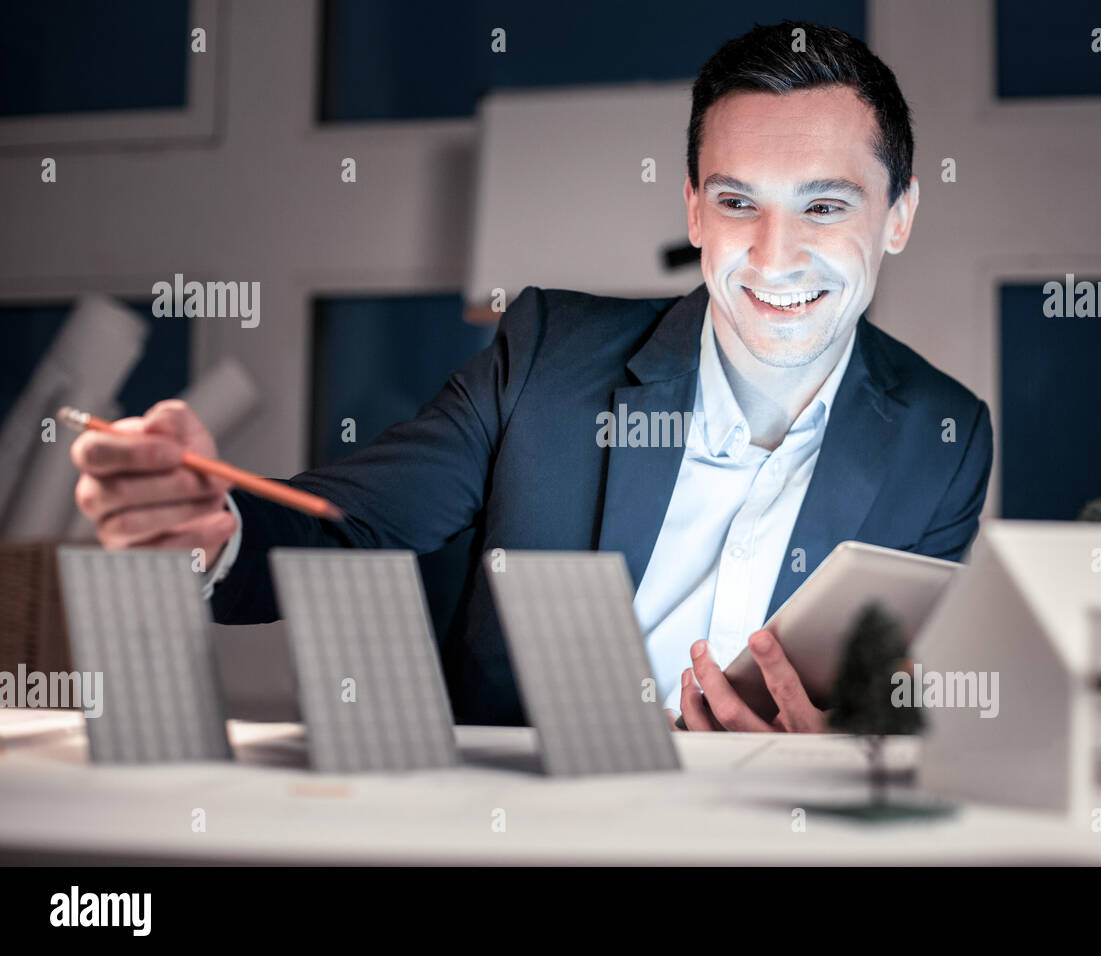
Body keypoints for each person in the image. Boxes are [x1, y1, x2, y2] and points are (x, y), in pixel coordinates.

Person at [69, 21, 993, 733]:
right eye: (737, 202)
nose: (774, 255)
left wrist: (840, 745)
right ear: (694, 212)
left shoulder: (944, 438)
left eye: (825, 206)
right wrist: (213, 525)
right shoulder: (549, 355)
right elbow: (354, 524)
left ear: (898, 216)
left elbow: (890, 696)